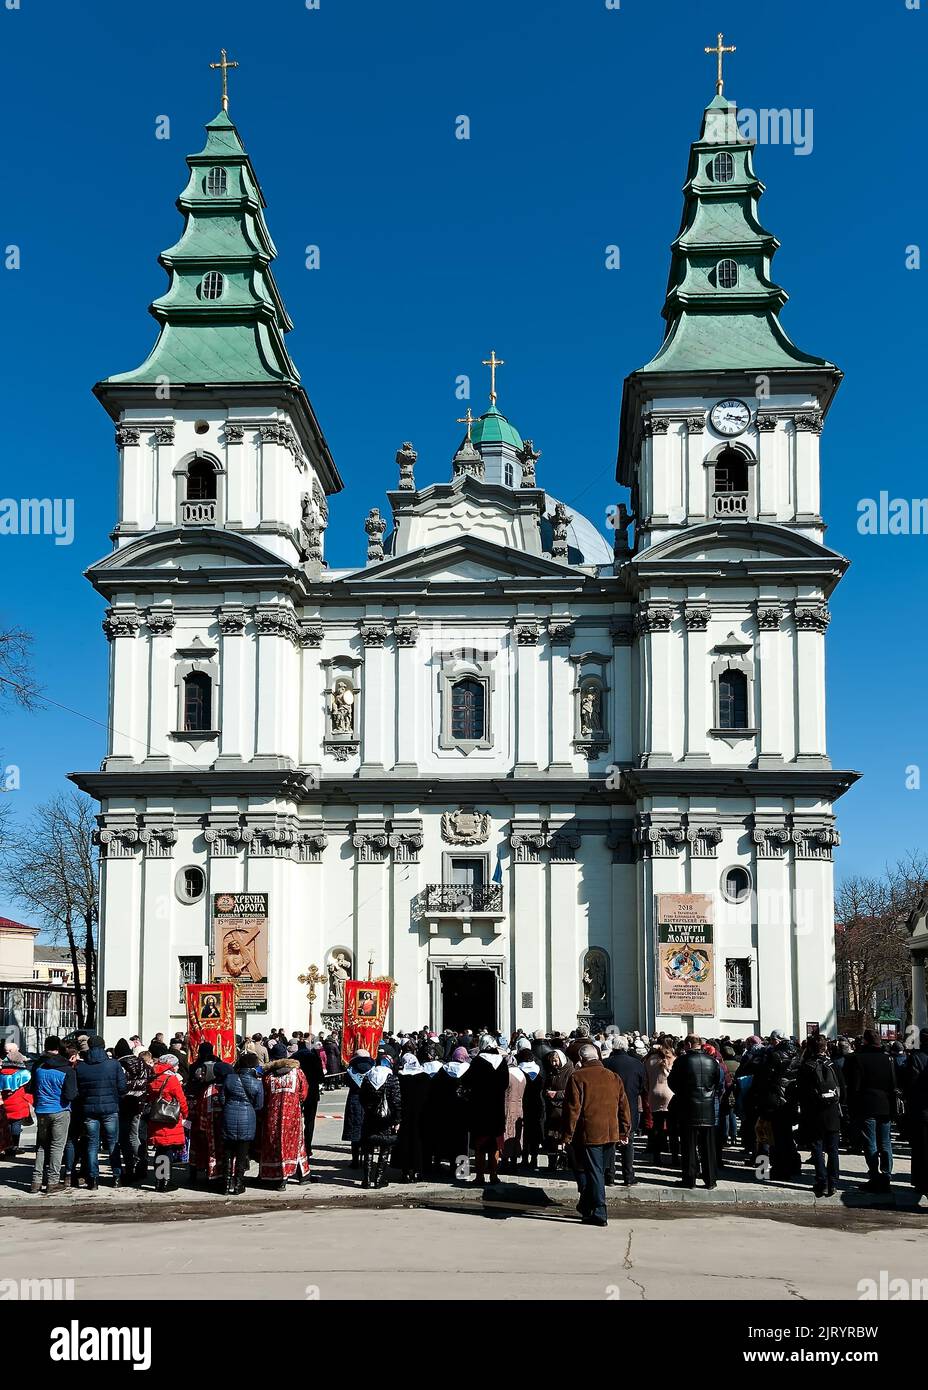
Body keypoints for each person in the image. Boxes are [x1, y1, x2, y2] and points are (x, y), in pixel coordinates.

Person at [561, 1042, 631, 1227]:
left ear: (581, 1060)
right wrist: (625, 1130)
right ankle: (586, 1205)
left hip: (589, 1132)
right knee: (597, 1171)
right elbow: (623, 1105)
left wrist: (566, 1135)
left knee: (593, 1172)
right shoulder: (613, 1077)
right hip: (610, 1132)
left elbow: (572, 1109)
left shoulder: (577, 1077)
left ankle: (599, 1210)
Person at [844, 1028, 898, 1194]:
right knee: (886, 1142)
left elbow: (855, 1086)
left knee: (871, 1142)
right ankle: (886, 1175)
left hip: (867, 1104)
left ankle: (875, 1175)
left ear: (865, 1041)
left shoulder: (858, 1059)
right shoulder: (888, 1059)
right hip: (885, 1105)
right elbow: (893, 1083)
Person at [667, 1037, 721, 1190]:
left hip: (688, 1107)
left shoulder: (682, 1061)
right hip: (708, 1107)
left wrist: (682, 1094)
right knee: (708, 1146)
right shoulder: (712, 1061)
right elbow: (717, 1081)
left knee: (688, 1146)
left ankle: (689, 1179)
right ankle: (710, 1180)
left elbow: (672, 1082)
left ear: (689, 1044)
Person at [797, 1032, 845, 1197]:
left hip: (813, 1113)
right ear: (826, 1047)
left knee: (817, 1148)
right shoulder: (833, 1065)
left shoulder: (806, 1066)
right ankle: (834, 1183)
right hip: (832, 1112)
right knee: (833, 1150)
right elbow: (842, 1091)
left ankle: (821, 1181)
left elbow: (800, 1093)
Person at [76, 1034, 127, 1190]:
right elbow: (122, 1087)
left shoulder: (81, 1067)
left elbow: (79, 1090)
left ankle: (93, 1180)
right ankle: (117, 1177)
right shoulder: (113, 1065)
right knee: (113, 1143)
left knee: (92, 1145)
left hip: (89, 1109)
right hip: (110, 1108)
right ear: (104, 1047)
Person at [28, 1037, 78, 1196]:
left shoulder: (38, 1066)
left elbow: (31, 1089)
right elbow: (71, 1095)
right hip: (60, 1110)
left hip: (42, 1110)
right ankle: (53, 1182)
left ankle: (36, 1182)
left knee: (42, 1145)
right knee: (57, 1146)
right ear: (60, 1048)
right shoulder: (67, 1069)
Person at [459, 1039, 510, 1185]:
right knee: (495, 1144)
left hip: (480, 1108)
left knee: (480, 1144)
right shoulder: (501, 1062)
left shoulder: (478, 1062)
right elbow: (505, 1084)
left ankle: (480, 1176)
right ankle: (493, 1175)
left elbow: (466, 1081)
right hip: (496, 1108)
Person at [603, 1035, 649, 1187]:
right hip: (630, 1108)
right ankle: (628, 1177)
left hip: (609, 1108)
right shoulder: (636, 1064)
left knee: (610, 1144)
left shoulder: (606, 1063)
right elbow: (643, 1086)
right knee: (628, 1143)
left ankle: (609, 1177)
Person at [260, 1057, 311, 1190]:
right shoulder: (298, 1073)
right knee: (296, 1143)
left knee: (274, 1144)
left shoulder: (269, 1076)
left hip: (273, 1115)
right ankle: (301, 1176)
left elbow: (264, 1095)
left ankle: (278, 1177)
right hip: (293, 1115)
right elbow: (303, 1093)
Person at [218, 1054, 263, 1195]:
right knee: (242, 1155)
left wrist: (229, 1106)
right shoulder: (257, 1083)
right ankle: (238, 1184)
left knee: (227, 1153)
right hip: (247, 1119)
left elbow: (221, 1098)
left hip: (228, 1116)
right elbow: (259, 1105)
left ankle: (225, 1184)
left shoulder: (230, 1078)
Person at [145, 1052, 188, 1192]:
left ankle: (158, 1181)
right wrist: (186, 1115)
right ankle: (165, 1182)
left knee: (159, 1150)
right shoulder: (172, 1079)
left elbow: (150, 1097)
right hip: (170, 1119)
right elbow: (181, 1100)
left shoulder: (153, 1077)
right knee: (168, 1151)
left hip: (156, 1118)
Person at [358, 1055, 401, 1189]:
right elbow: (396, 1101)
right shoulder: (392, 1079)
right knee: (385, 1148)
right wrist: (397, 1119)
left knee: (368, 1148)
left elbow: (362, 1098)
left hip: (370, 1117)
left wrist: (369, 1109)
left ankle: (366, 1180)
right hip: (386, 1118)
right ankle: (378, 1180)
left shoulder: (367, 1077)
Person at [427, 1046, 470, 1177]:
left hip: (444, 1111)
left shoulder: (443, 1070)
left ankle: (439, 1166)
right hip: (462, 1111)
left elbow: (434, 1090)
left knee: (443, 1138)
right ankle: (461, 1170)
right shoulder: (468, 1070)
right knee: (462, 1141)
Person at [114, 1038, 152, 1185]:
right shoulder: (142, 1063)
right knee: (135, 1135)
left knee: (124, 1138)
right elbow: (150, 1080)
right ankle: (142, 1164)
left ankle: (130, 1167)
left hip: (124, 1104)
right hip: (139, 1104)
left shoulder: (118, 1066)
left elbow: (118, 1085)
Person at [187, 1044, 224, 1187]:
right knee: (213, 1140)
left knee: (198, 1140)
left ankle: (194, 1172)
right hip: (213, 1103)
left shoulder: (195, 1065)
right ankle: (214, 1171)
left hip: (198, 1104)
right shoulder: (218, 1063)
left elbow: (191, 1085)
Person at [394, 1051, 430, 1182]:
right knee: (419, 1143)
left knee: (404, 1143)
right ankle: (417, 1171)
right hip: (421, 1116)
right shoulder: (425, 1077)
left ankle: (405, 1172)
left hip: (404, 1116)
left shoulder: (400, 1078)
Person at [903, 1027, 928, 1206]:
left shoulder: (916, 1058)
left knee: (920, 1148)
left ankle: (920, 1181)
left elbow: (910, 1085)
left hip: (920, 1111)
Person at [342, 1048, 376, 1168]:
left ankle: (355, 1160)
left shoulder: (351, 1069)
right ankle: (368, 1159)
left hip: (354, 1099)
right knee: (367, 1130)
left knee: (355, 1130)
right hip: (369, 1100)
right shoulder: (373, 1068)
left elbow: (346, 1082)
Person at [542, 1048, 574, 1172]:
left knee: (564, 1137)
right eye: (552, 1061)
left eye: (555, 1061)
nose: (553, 1064)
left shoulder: (570, 1071)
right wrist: (547, 1093)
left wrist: (557, 1094)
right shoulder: (552, 1071)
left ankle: (565, 1162)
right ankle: (552, 1163)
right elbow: (547, 1086)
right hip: (552, 1109)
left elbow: (572, 1092)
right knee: (552, 1138)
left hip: (564, 1109)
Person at [516, 1040, 546, 1170]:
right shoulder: (539, 1068)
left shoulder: (519, 1071)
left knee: (524, 1132)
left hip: (524, 1104)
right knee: (535, 1132)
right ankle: (534, 1158)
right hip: (538, 1103)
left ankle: (524, 1158)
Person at [645, 1040, 676, 1165]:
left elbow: (646, 1079)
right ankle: (674, 1157)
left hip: (654, 1093)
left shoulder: (649, 1060)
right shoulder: (672, 1059)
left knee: (656, 1127)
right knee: (672, 1128)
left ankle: (656, 1157)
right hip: (669, 1093)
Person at [294, 1035, 325, 1159]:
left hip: (296, 1093)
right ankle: (307, 1147)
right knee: (309, 1121)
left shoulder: (293, 1058)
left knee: (295, 1120)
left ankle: (294, 1146)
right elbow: (321, 1077)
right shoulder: (314, 1057)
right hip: (311, 1092)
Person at [0, 1043, 33, 1158]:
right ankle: (14, 1147)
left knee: (6, 1124)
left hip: (4, 1103)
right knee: (16, 1124)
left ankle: (7, 1146)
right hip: (18, 1102)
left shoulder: (1, 1073)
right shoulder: (23, 1074)